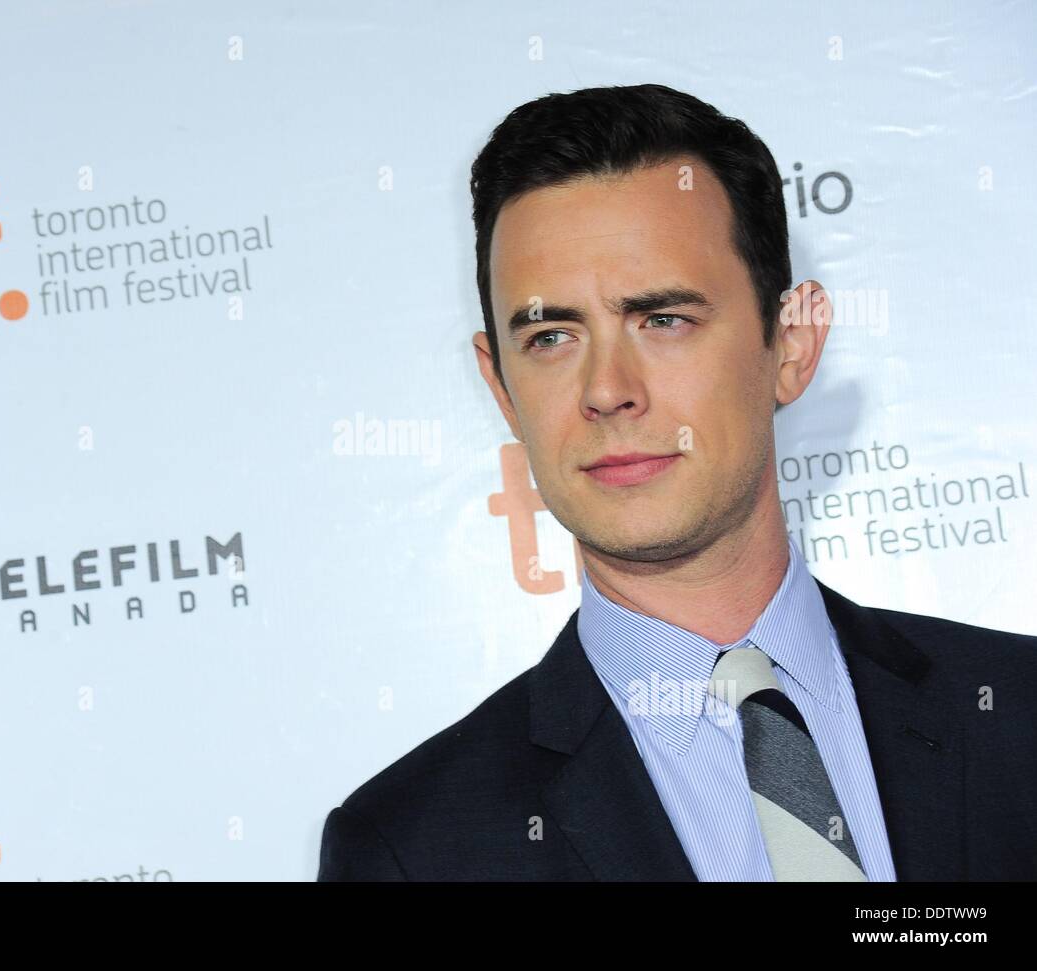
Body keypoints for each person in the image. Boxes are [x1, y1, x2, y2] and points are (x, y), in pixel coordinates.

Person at [317, 84, 1037, 881]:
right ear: (501, 386)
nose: (607, 388)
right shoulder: (415, 850)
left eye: (662, 320)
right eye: (551, 335)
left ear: (791, 343)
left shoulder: (1021, 715)